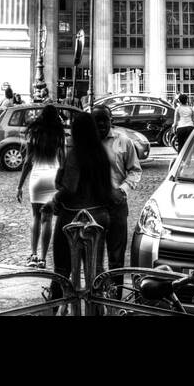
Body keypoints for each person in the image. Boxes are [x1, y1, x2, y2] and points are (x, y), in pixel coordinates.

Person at [50, 112, 117, 296]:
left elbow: (69, 188)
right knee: (94, 268)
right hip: (99, 216)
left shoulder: (76, 153)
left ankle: (57, 302)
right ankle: (96, 305)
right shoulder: (101, 153)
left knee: (62, 268)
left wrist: (55, 199)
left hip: (75, 216)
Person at [92, 106, 142, 276]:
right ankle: (96, 299)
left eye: (104, 120)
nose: (100, 124)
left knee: (116, 258)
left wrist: (122, 190)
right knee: (93, 258)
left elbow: (135, 170)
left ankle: (115, 299)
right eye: (96, 120)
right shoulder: (85, 144)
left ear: (110, 120)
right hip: (92, 208)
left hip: (116, 206)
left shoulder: (124, 141)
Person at [17, 104, 65, 268]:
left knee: (36, 216)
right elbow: (63, 160)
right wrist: (63, 182)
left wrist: (20, 185)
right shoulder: (59, 134)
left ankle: (33, 255)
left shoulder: (34, 134)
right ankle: (43, 258)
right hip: (53, 177)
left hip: (37, 178)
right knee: (48, 219)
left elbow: (27, 162)